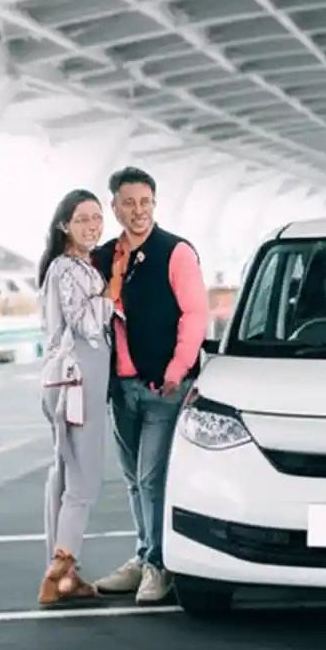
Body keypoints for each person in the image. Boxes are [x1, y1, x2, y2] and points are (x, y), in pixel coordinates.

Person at [90, 166, 209, 604]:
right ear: (115, 206)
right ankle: (144, 556)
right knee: (132, 479)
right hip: (120, 386)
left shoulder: (176, 252)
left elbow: (195, 315)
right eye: (129, 203)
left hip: (164, 385)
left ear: (154, 204)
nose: (138, 211)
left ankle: (159, 565)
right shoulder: (104, 258)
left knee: (152, 477)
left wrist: (177, 370)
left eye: (145, 202)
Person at [35, 188, 116, 607]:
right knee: (83, 483)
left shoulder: (77, 266)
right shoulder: (67, 269)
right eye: (83, 218)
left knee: (64, 478)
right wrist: (113, 289)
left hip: (69, 383)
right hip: (77, 384)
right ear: (64, 225)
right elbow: (85, 324)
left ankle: (63, 572)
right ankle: (59, 572)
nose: (92, 226)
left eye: (97, 217)